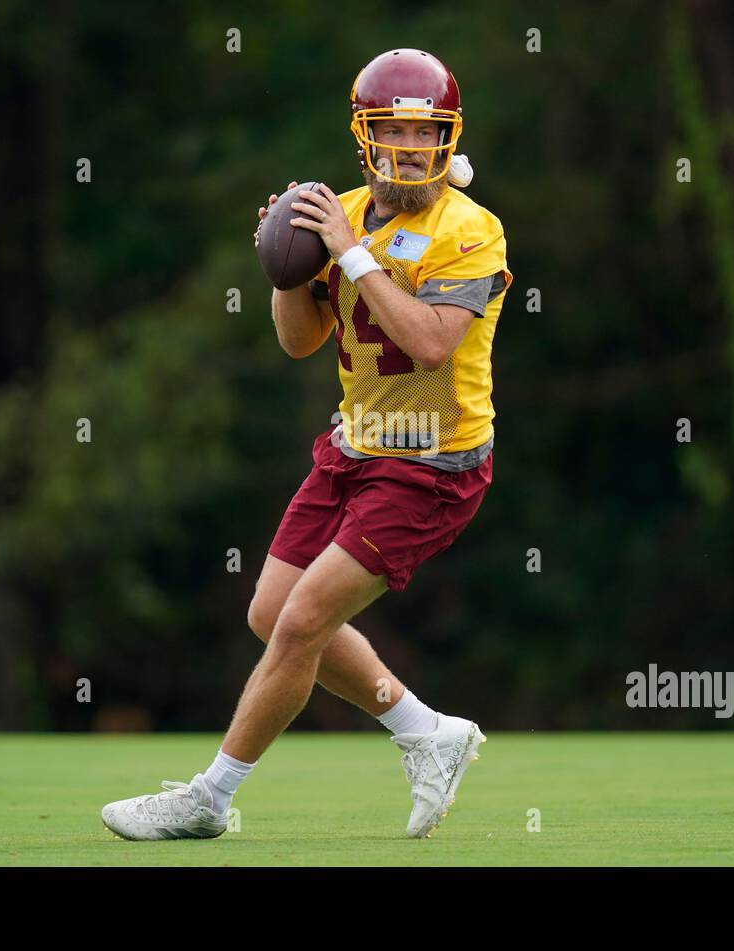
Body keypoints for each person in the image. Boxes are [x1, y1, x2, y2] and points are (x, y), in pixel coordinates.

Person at [102, 47, 512, 841]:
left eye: (424, 134)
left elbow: (431, 345)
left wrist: (351, 255)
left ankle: (208, 800)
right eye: (391, 130)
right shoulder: (341, 212)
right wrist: (286, 268)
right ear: (364, 135)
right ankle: (429, 733)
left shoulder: (470, 229)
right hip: (353, 448)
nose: (408, 148)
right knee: (269, 613)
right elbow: (299, 341)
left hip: (430, 460)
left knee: (300, 625)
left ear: (447, 139)